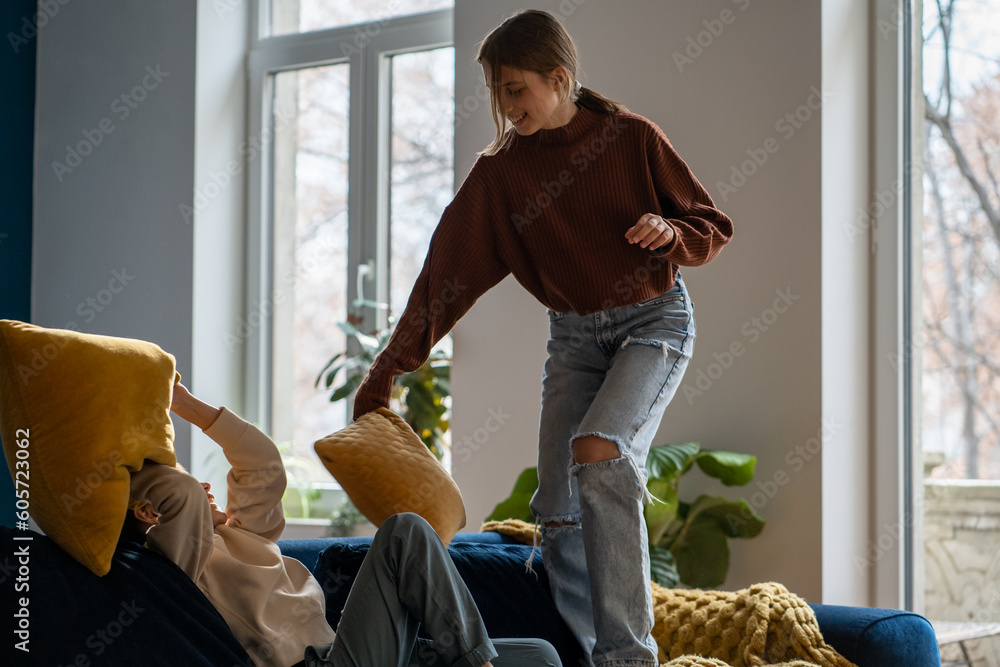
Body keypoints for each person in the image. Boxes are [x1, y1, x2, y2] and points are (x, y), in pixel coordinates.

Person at [349, 9, 734, 667]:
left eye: (515, 89)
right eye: (498, 92)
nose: (505, 106)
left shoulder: (632, 138)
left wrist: (670, 233)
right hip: (574, 341)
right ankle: (587, 656)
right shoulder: (503, 173)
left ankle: (627, 658)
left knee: (601, 451)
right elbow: (448, 271)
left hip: (654, 322)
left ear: (559, 79)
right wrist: (391, 363)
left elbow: (710, 223)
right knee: (556, 510)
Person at [127, 380, 561, 667]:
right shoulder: (180, 565)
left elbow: (260, 461)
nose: (202, 484)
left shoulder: (241, 534)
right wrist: (152, 471)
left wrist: (183, 404)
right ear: (152, 510)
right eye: (187, 482)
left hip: (352, 652)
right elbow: (178, 499)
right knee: (403, 532)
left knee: (538, 656)